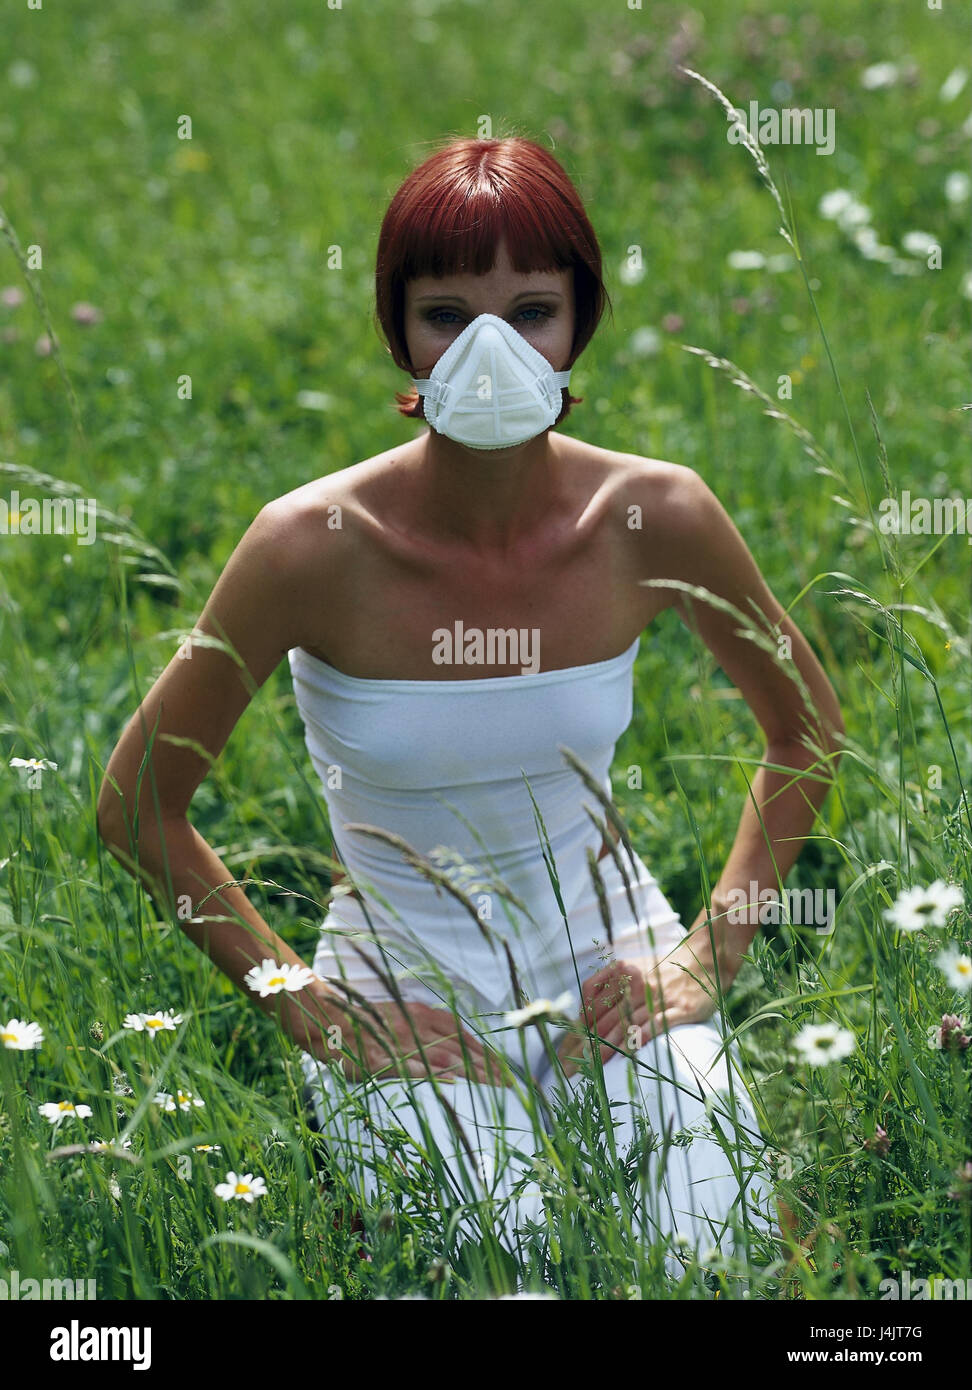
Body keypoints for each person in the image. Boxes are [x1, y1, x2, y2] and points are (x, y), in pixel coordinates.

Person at [97, 135, 844, 1287]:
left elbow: (804, 730)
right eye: (448, 313)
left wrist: (706, 955)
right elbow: (139, 805)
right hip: (406, 982)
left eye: (532, 309)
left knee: (708, 1260)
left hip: (613, 964)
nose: (491, 351)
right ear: (397, 330)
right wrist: (309, 1005)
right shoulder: (308, 545)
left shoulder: (654, 517)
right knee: (506, 1268)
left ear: (580, 321)